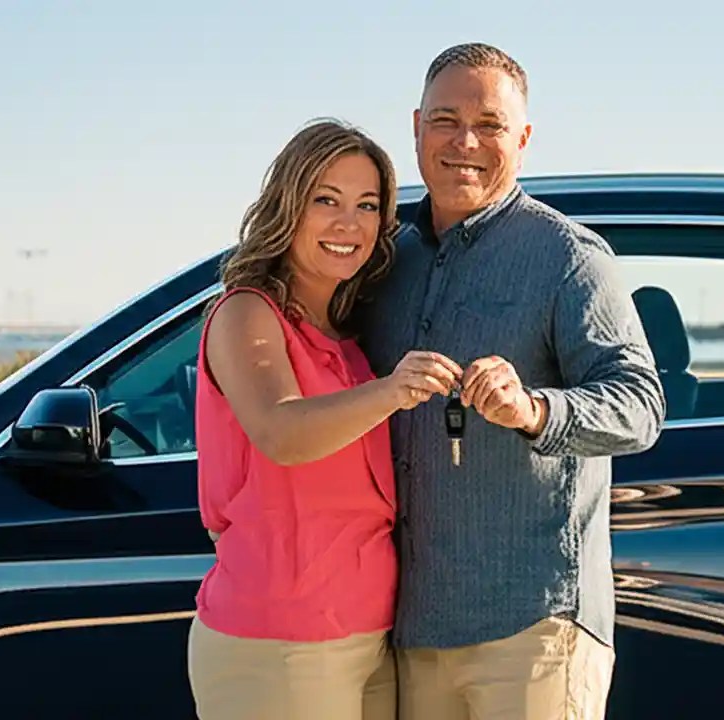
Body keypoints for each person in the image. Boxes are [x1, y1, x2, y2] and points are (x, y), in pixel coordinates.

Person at [355, 43, 667, 719]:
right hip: (411, 632)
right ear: (415, 128)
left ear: (522, 140)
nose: (465, 141)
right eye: (444, 119)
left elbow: (640, 406)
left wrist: (534, 408)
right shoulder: (386, 264)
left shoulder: (567, 258)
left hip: (533, 630)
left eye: (490, 124)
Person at [188, 118, 463, 720]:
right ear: (288, 205)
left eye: (367, 205)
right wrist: (393, 391)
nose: (349, 223)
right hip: (279, 641)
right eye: (326, 200)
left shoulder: (344, 340)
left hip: (368, 634)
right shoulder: (245, 315)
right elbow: (282, 433)